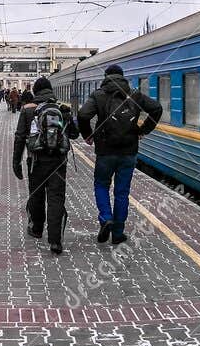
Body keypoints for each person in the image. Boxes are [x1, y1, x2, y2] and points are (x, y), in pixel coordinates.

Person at [76, 63, 161, 245]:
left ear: (106, 77)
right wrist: (142, 130)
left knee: (101, 185)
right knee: (122, 192)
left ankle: (106, 217)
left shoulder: (99, 95)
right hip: (128, 151)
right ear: (122, 77)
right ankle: (118, 233)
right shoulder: (135, 94)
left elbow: (83, 115)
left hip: (105, 151)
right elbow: (157, 108)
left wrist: (87, 135)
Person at [13, 76, 77, 254]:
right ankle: (55, 240)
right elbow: (74, 134)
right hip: (58, 162)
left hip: (36, 161)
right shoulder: (61, 109)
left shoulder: (28, 110)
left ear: (35, 92)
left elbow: (19, 137)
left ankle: (36, 229)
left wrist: (16, 162)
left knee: (37, 194)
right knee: (56, 197)